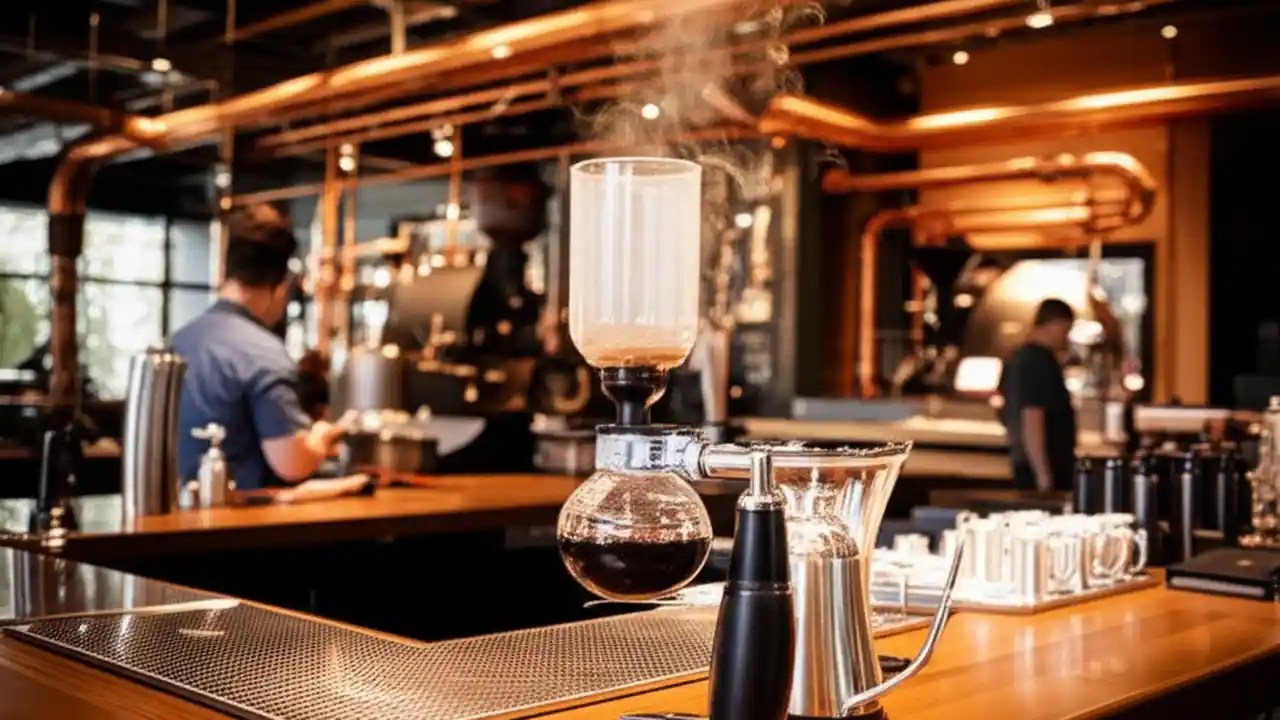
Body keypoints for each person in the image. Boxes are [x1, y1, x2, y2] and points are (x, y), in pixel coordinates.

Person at [172, 204, 341, 490]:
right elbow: (292, 463)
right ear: (282, 285)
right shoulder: (262, 352)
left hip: (172, 517)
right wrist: (322, 438)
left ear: (226, 270)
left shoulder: (175, 341)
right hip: (235, 523)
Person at [997, 298, 1078, 493]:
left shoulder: (1016, 358)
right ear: (1055, 324)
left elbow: (1003, 409)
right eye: (1066, 330)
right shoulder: (1038, 362)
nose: (1066, 337)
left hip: (1024, 462)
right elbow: (1032, 416)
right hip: (1042, 467)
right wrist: (1043, 474)